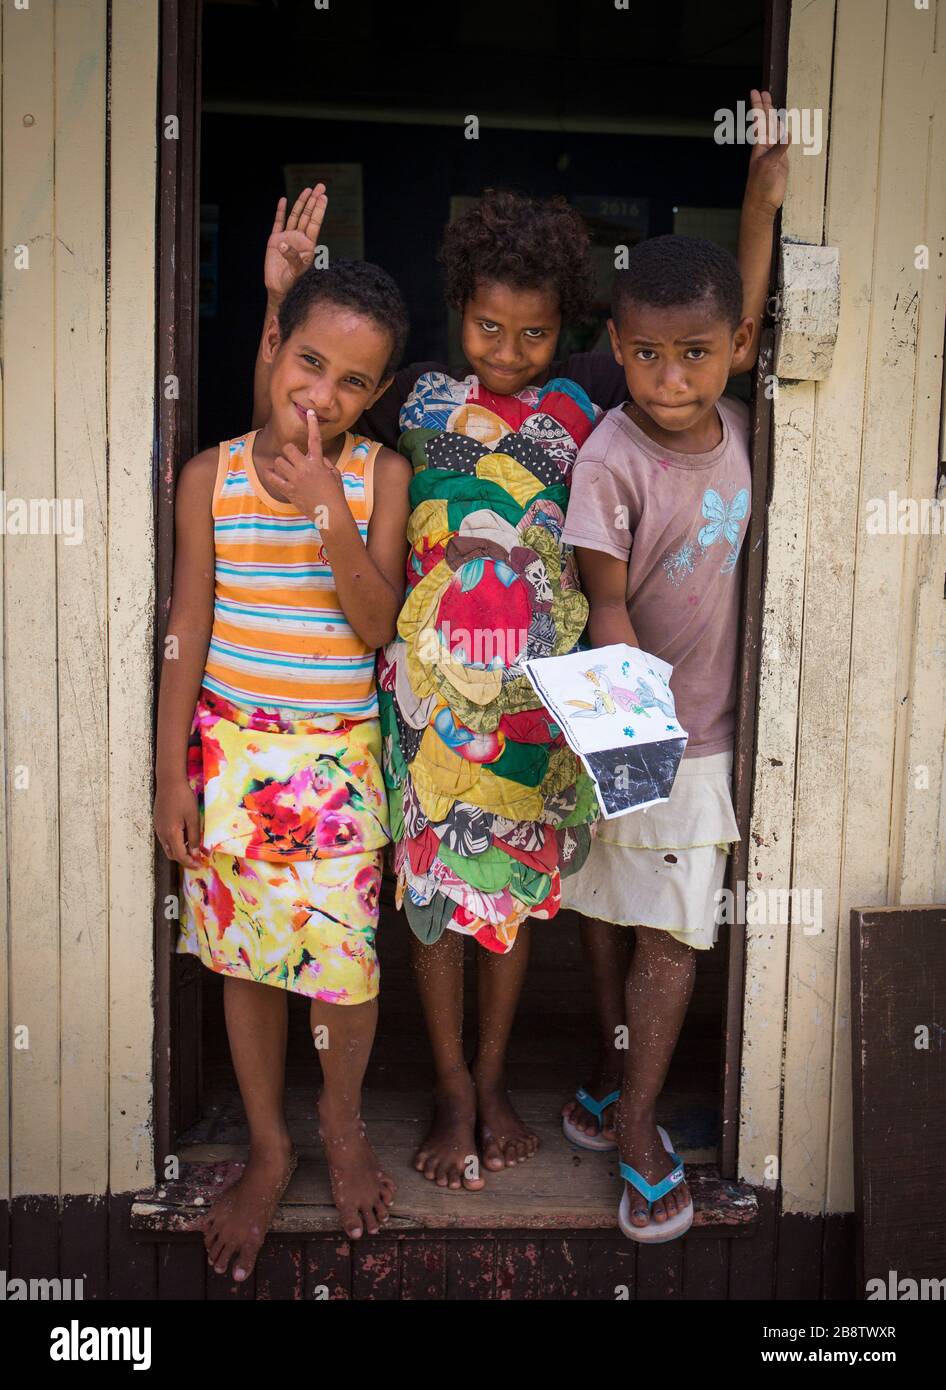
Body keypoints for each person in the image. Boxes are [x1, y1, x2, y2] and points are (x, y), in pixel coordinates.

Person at [249, 90, 786, 1194]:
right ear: (458, 313)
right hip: (427, 703)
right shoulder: (415, 402)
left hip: (542, 710)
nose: (507, 351)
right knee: (436, 906)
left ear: (572, 332)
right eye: (489, 327)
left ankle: (494, 1078)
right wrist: (276, 302)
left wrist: (759, 201)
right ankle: (450, 1085)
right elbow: (298, 407)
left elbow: (721, 338)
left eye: (533, 332)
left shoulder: (591, 401)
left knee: (514, 905)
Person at [154, 260, 412, 1279]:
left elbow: (376, 621)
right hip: (228, 755)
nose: (322, 396)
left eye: (352, 381)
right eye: (309, 361)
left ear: (380, 394)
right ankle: (269, 1145)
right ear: (274, 347)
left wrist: (327, 513)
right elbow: (188, 624)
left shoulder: (378, 477)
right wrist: (171, 773)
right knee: (243, 963)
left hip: (337, 763)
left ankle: (338, 1121)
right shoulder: (206, 477)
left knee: (342, 973)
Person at [559, 233, 757, 1241]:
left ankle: (624, 1109)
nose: (669, 378)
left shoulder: (746, 425)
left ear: (735, 348)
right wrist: (633, 741)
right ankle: (625, 1101)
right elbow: (605, 606)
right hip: (632, 724)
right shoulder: (606, 457)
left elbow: (741, 300)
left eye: (694, 354)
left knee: (670, 933)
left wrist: (762, 196)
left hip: (713, 736)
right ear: (616, 343)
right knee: (608, 905)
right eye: (646, 355)